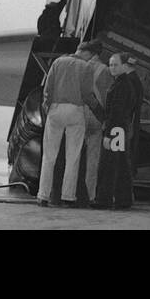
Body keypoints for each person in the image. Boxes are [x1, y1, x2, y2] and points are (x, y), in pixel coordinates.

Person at [37, 40, 106, 207]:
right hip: (76, 111)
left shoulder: (58, 62)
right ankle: (68, 196)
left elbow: (48, 88)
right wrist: (101, 114)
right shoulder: (86, 67)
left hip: (56, 109)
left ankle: (43, 196)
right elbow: (88, 95)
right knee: (73, 157)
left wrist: (48, 107)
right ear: (88, 54)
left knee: (49, 155)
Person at [95, 52, 143, 209]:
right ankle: (122, 200)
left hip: (116, 130)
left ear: (124, 66)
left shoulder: (122, 85)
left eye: (115, 65)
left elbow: (117, 111)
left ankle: (105, 200)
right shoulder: (123, 83)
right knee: (120, 164)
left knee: (110, 165)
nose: (112, 68)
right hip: (119, 129)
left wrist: (109, 134)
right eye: (110, 65)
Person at [81, 41, 113, 202]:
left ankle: (72, 193)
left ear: (91, 53)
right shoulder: (104, 70)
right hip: (95, 117)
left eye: (82, 51)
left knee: (73, 156)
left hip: (78, 114)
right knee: (93, 157)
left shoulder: (78, 67)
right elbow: (107, 98)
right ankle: (91, 195)